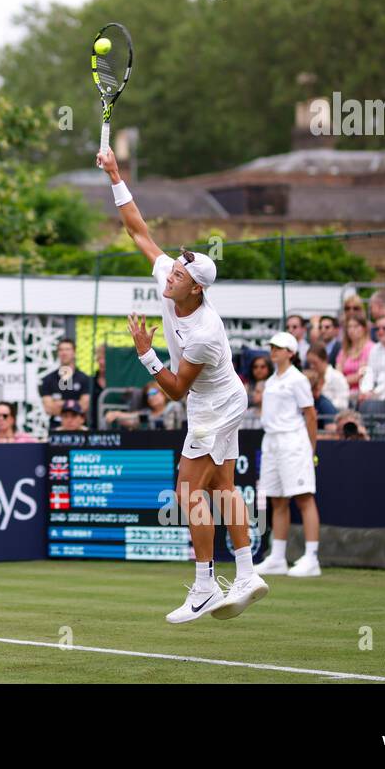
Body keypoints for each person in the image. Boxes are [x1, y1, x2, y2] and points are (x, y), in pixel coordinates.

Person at [100, 144, 262, 624]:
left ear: (198, 288)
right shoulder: (171, 279)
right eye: (171, 271)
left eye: (178, 275)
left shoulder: (205, 334)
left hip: (215, 404)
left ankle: (205, 585)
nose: (168, 277)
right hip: (224, 398)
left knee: (189, 492)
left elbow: (175, 391)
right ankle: (249, 572)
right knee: (224, 487)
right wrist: (114, 173)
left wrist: (146, 353)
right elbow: (137, 229)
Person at [253, 333, 321, 578]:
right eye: (272, 347)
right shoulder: (271, 381)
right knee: (277, 500)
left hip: (294, 442)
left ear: (291, 353)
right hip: (271, 442)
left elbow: (310, 415)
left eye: (279, 348)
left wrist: (311, 449)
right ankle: (278, 558)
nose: (273, 351)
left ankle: (312, 558)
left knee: (303, 498)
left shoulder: (298, 379)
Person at [38, 338, 92, 431]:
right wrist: (74, 406)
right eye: (61, 350)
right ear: (58, 353)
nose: (64, 353)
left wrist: (60, 403)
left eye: (67, 349)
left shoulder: (84, 379)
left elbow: (84, 406)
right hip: (55, 428)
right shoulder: (48, 379)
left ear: (74, 353)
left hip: (79, 429)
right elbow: (49, 408)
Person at [305, 345, 348, 410]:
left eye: (315, 363)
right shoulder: (309, 379)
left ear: (325, 359)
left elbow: (343, 403)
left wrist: (325, 404)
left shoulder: (337, 377)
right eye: (309, 363)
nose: (312, 366)